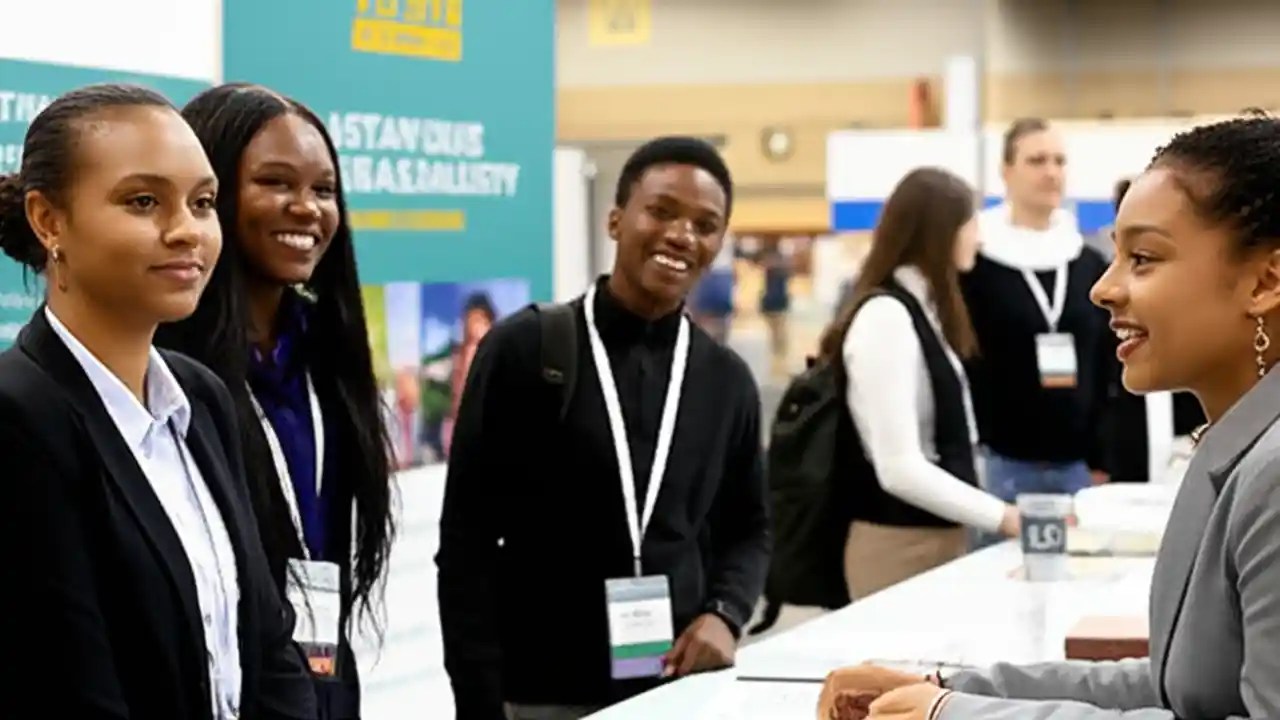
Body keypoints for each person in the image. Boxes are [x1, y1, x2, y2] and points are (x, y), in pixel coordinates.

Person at [818, 113, 1280, 720]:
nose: (1104, 288)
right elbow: (1182, 684)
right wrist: (947, 687)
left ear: (1265, 280)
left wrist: (952, 713)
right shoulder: (1235, 455)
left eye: (1143, 258)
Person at [0, 83, 316, 719]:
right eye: (143, 201)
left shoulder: (198, 395)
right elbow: (68, 690)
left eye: (202, 203)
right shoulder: (18, 417)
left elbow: (267, 643)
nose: (186, 231)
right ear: (48, 220)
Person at [437, 136, 770, 720]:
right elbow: (466, 545)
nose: (681, 235)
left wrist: (726, 612)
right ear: (616, 220)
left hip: (678, 691)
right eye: (662, 212)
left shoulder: (726, 380)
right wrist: (480, 703)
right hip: (540, 693)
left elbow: (751, 528)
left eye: (704, 224)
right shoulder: (528, 350)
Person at [154, 83, 394, 720]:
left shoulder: (327, 349)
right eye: (276, 182)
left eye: (323, 189)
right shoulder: (160, 367)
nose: (307, 209)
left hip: (322, 675)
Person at [818, 168, 1021, 600]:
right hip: (898, 548)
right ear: (940, 230)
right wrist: (1003, 516)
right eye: (971, 223)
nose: (978, 238)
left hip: (935, 542)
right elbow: (898, 467)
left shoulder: (922, 312)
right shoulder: (886, 317)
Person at [962, 117, 1118, 510]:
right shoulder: (976, 265)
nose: (1051, 172)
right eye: (1037, 161)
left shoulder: (1087, 263)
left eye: (1059, 161)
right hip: (998, 464)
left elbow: (1106, 367)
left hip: (1078, 468)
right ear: (1006, 172)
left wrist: (1103, 456)